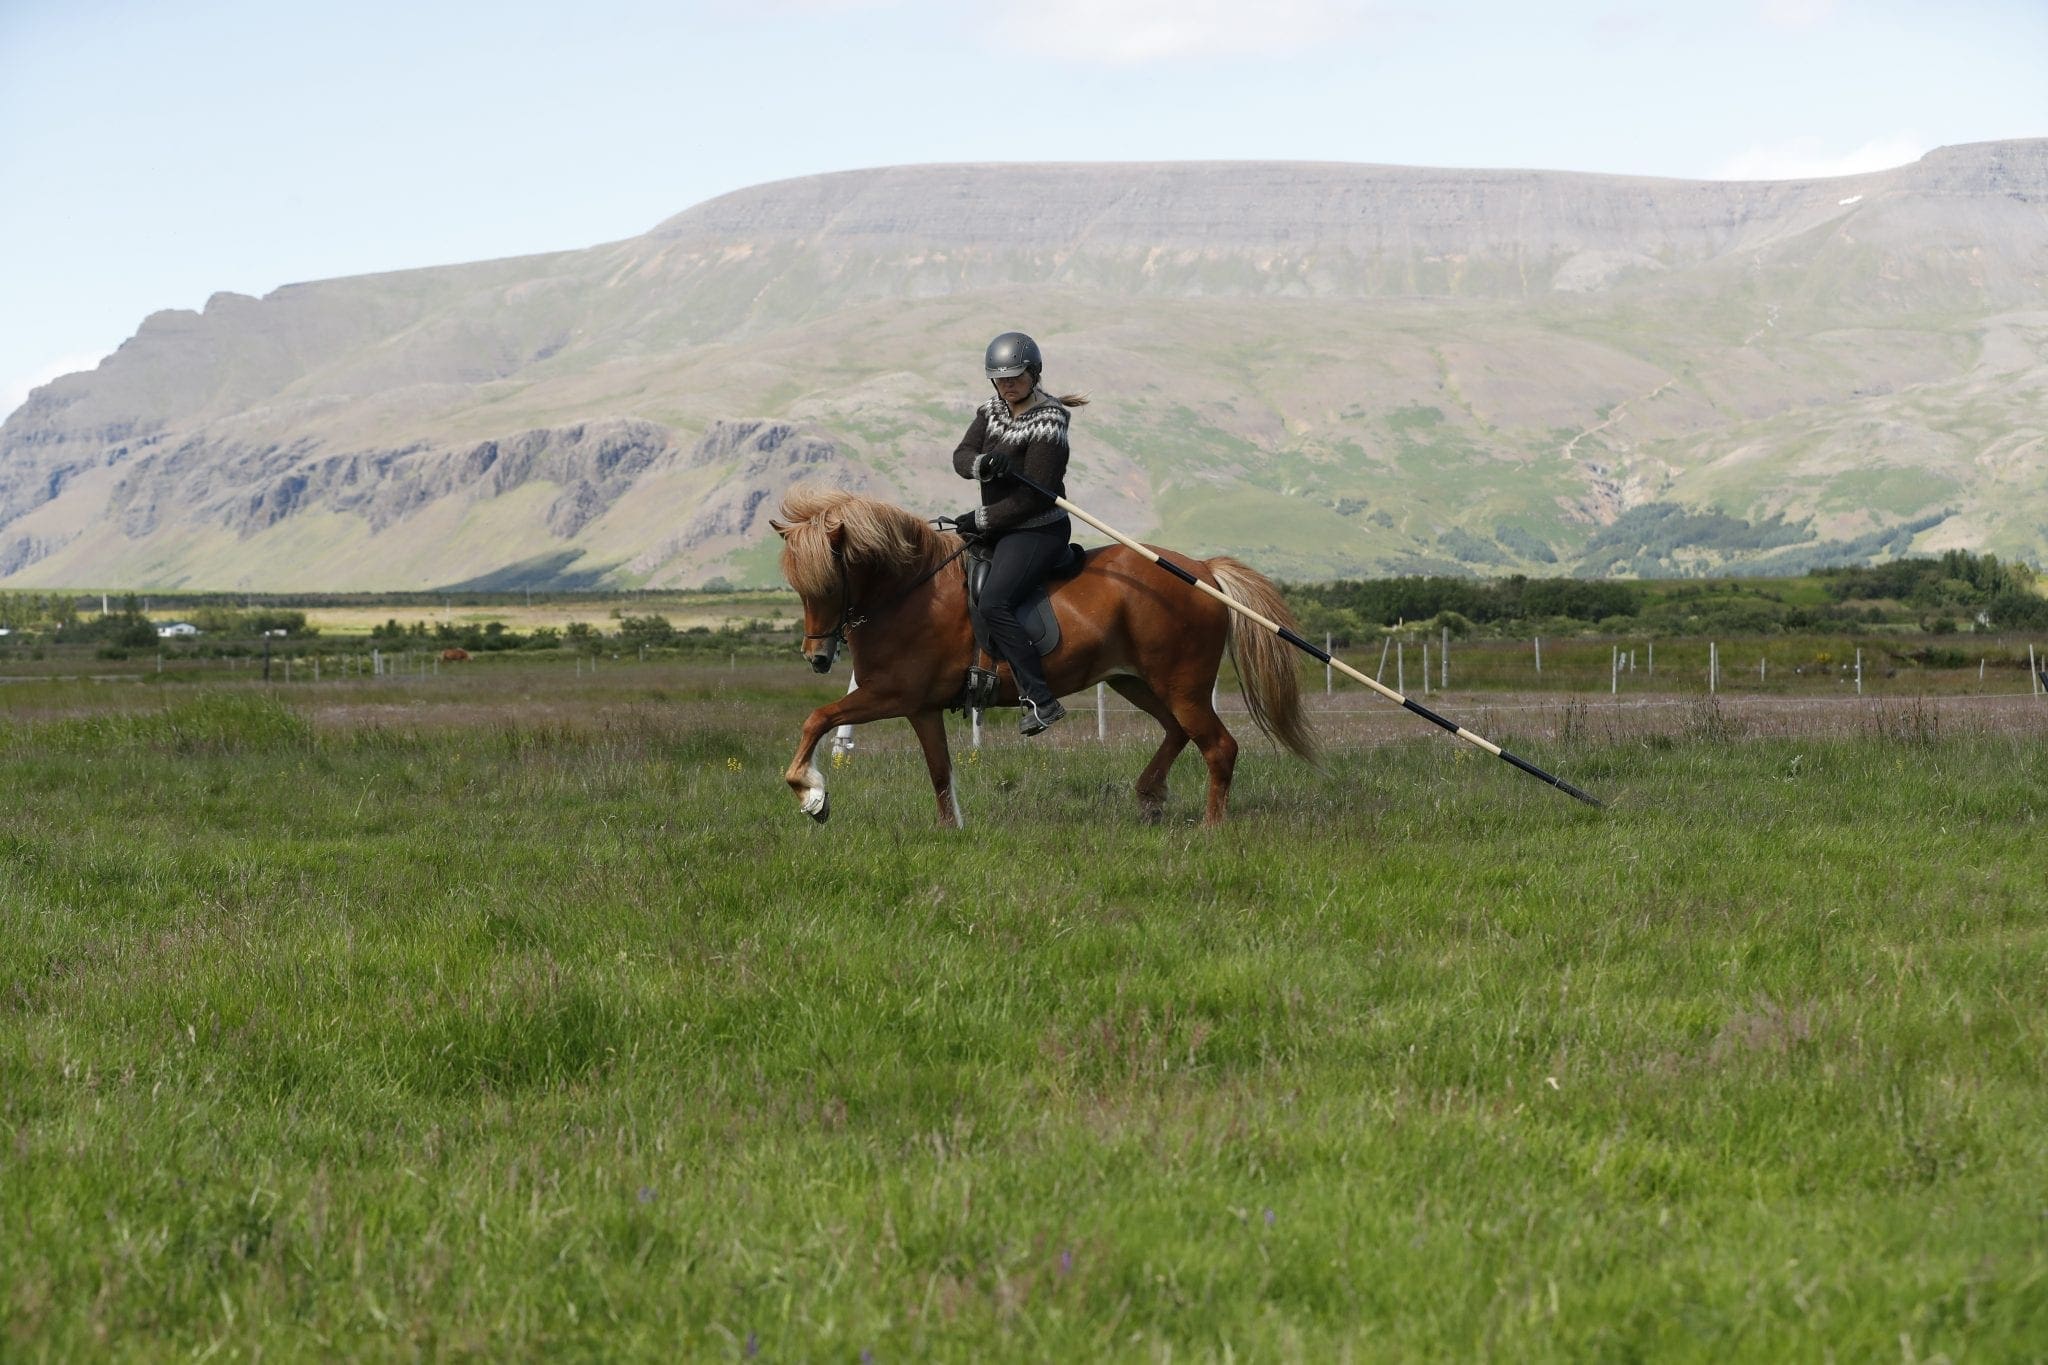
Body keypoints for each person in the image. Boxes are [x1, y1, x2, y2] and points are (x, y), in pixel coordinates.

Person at [951, 331, 1089, 735]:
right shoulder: (990, 410)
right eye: (1000, 378)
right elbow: (961, 456)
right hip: (998, 526)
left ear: (1033, 373)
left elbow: (1033, 499)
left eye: (1015, 377)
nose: (1007, 385)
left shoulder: (1050, 420)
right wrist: (984, 465)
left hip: (1037, 528)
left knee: (995, 601)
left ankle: (1041, 699)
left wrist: (981, 520)